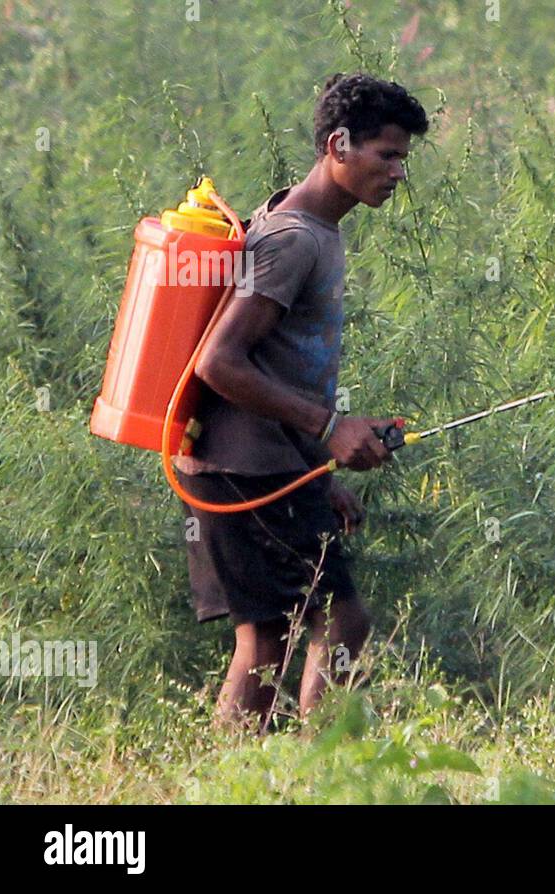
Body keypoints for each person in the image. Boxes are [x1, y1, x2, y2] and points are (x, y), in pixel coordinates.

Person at [173, 73, 429, 731]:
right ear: (339, 145)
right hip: (243, 472)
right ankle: (319, 774)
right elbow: (219, 361)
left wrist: (317, 464)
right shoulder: (293, 239)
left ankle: (256, 781)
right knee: (328, 624)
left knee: (273, 636)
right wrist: (331, 426)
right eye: (388, 154)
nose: (399, 172)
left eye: (404, 157)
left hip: (264, 465)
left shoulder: (312, 226)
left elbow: (269, 366)